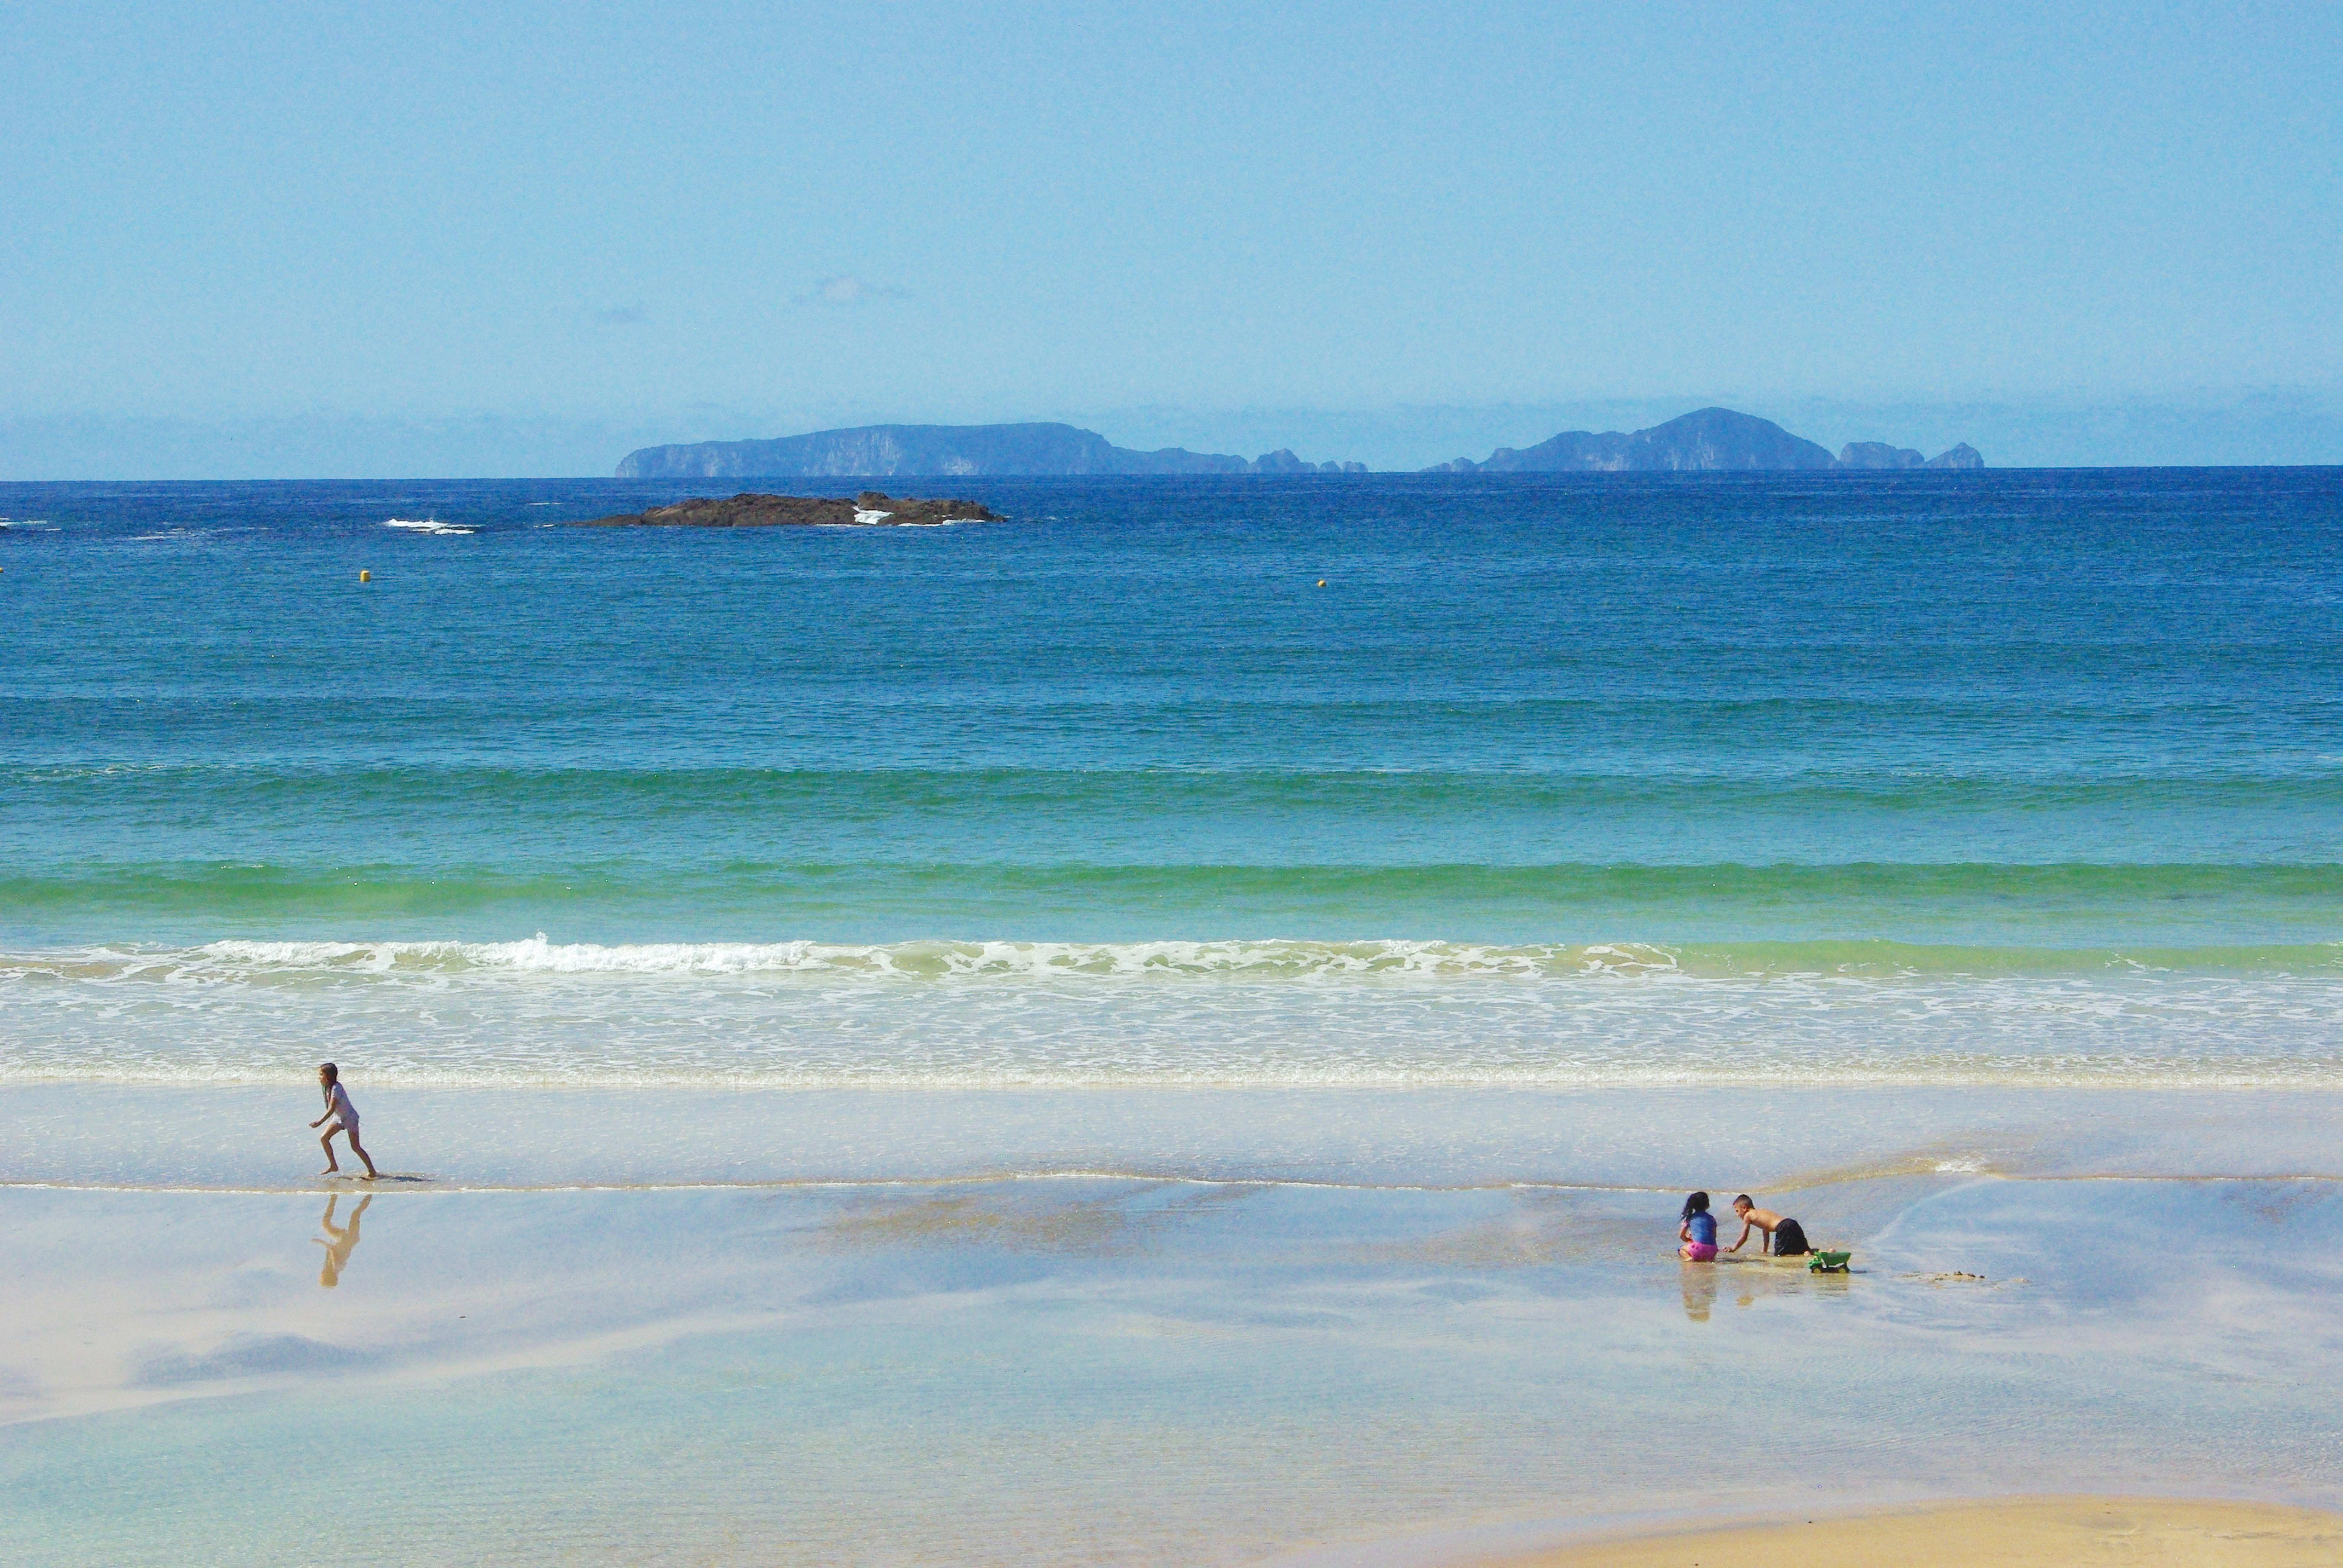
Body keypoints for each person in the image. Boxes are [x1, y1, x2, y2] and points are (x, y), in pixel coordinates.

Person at [310, 1062, 378, 1179]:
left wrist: (320, 1122)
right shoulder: (327, 1088)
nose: (319, 1077)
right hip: (339, 1118)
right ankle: (333, 1166)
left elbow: (331, 1108)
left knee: (355, 1147)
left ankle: (372, 1171)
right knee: (324, 1139)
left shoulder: (337, 1088)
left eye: (321, 1074)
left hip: (350, 1118)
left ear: (329, 1076)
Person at [1725, 1194, 1810, 1256]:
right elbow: (1766, 1232)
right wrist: (1764, 1250)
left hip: (1783, 1227)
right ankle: (1809, 1253)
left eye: (1737, 1211)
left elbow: (1744, 1236)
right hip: (1792, 1223)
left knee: (1780, 1255)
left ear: (1744, 1208)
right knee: (1803, 1249)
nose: (1737, 1215)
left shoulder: (1748, 1215)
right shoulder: (1761, 1212)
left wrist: (1734, 1248)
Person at [1679, 1191, 1718, 1261]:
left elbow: (1681, 1236)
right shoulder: (1712, 1218)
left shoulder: (1690, 1218)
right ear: (1707, 1205)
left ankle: (1689, 1258)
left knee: (1682, 1250)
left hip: (1698, 1249)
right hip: (1713, 1250)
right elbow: (1714, 1236)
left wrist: (1689, 1240)